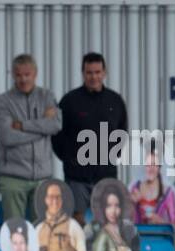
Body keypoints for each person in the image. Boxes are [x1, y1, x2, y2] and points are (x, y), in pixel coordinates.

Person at [52, 53, 128, 220]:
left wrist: (110, 157)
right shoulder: (69, 101)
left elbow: (122, 132)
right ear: (83, 73)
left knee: (107, 223)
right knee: (77, 224)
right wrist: (69, 159)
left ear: (104, 73)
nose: (94, 77)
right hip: (76, 178)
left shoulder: (115, 101)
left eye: (97, 72)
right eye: (89, 72)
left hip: (106, 175)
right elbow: (56, 135)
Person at [0, 54, 61, 221]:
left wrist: (23, 125)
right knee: (14, 233)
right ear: (13, 75)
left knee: (41, 235)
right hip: (13, 179)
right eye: (18, 75)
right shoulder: (3, 102)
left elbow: (55, 126)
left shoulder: (47, 96)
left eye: (27, 74)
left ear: (35, 74)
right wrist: (42, 128)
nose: (23, 79)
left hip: (42, 177)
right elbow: (7, 137)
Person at [36, 181, 86, 251]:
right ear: (46, 199)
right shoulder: (39, 228)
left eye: (58, 197)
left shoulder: (73, 226)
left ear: (62, 200)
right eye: (51, 197)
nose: (55, 201)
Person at [86, 183, 136, 251]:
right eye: (109, 206)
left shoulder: (126, 229)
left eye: (117, 205)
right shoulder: (102, 235)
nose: (113, 211)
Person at [129, 148, 175, 226]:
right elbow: (124, 221)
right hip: (138, 236)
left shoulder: (168, 192)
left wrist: (159, 221)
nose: (151, 169)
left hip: (158, 236)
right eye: (148, 165)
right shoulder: (135, 188)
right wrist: (131, 203)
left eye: (154, 165)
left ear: (159, 167)